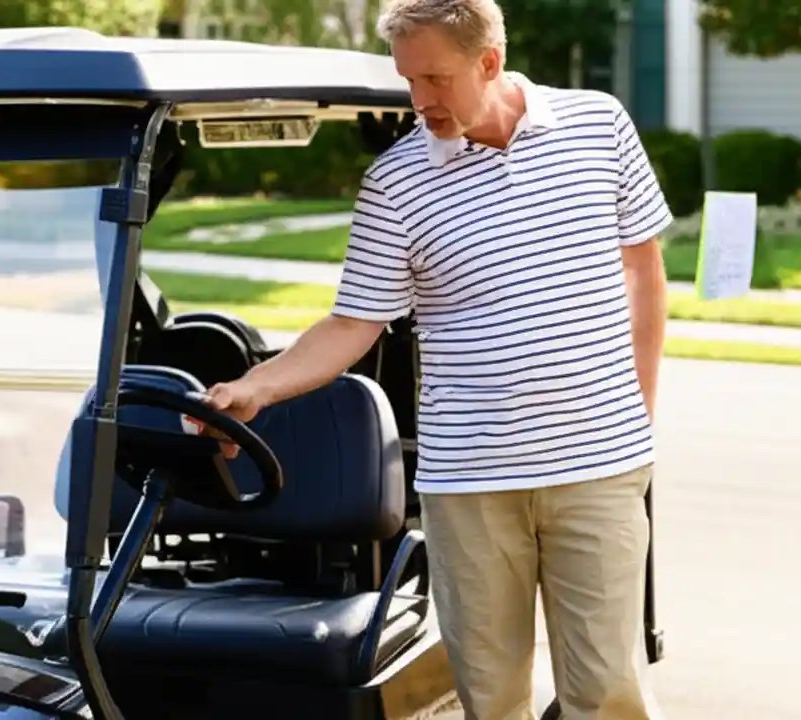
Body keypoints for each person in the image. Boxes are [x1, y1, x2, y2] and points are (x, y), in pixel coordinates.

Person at [201, 0, 671, 717]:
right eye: (408, 81)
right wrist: (257, 388)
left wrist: (639, 408)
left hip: (598, 468)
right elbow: (353, 323)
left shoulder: (599, 124)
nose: (419, 101)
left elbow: (643, 268)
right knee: (490, 693)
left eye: (434, 79)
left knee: (608, 692)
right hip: (471, 485)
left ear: (489, 61)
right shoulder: (395, 183)